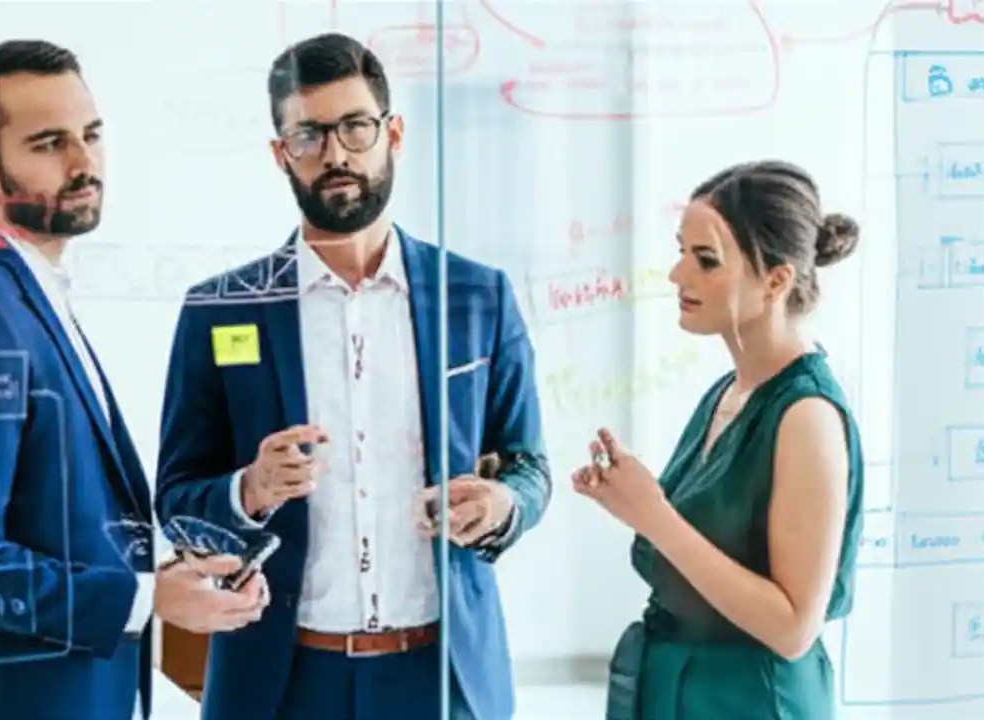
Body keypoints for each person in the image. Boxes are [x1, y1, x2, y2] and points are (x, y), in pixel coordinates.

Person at [154, 32, 551, 720]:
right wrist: (247, 489)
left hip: (441, 679)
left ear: (392, 133)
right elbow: (176, 500)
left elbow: (530, 467)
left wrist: (502, 505)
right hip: (280, 681)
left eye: (355, 127)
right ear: (281, 153)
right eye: (309, 134)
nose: (336, 154)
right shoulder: (219, 312)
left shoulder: (479, 296)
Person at [0, 40, 266, 720]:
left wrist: (169, 578)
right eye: (50, 143)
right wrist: (149, 600)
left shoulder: (25, 293)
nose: (85, 164)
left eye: (90, 134)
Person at [572, 160, 865, 720]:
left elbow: (793, 627)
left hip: (750, 701)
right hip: (683, 693)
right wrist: (634, 504)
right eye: (682, 250)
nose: (678, 276)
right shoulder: (728, 391)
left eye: (705, 260)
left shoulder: (805, 414)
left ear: (776, 280)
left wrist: (654, 516)